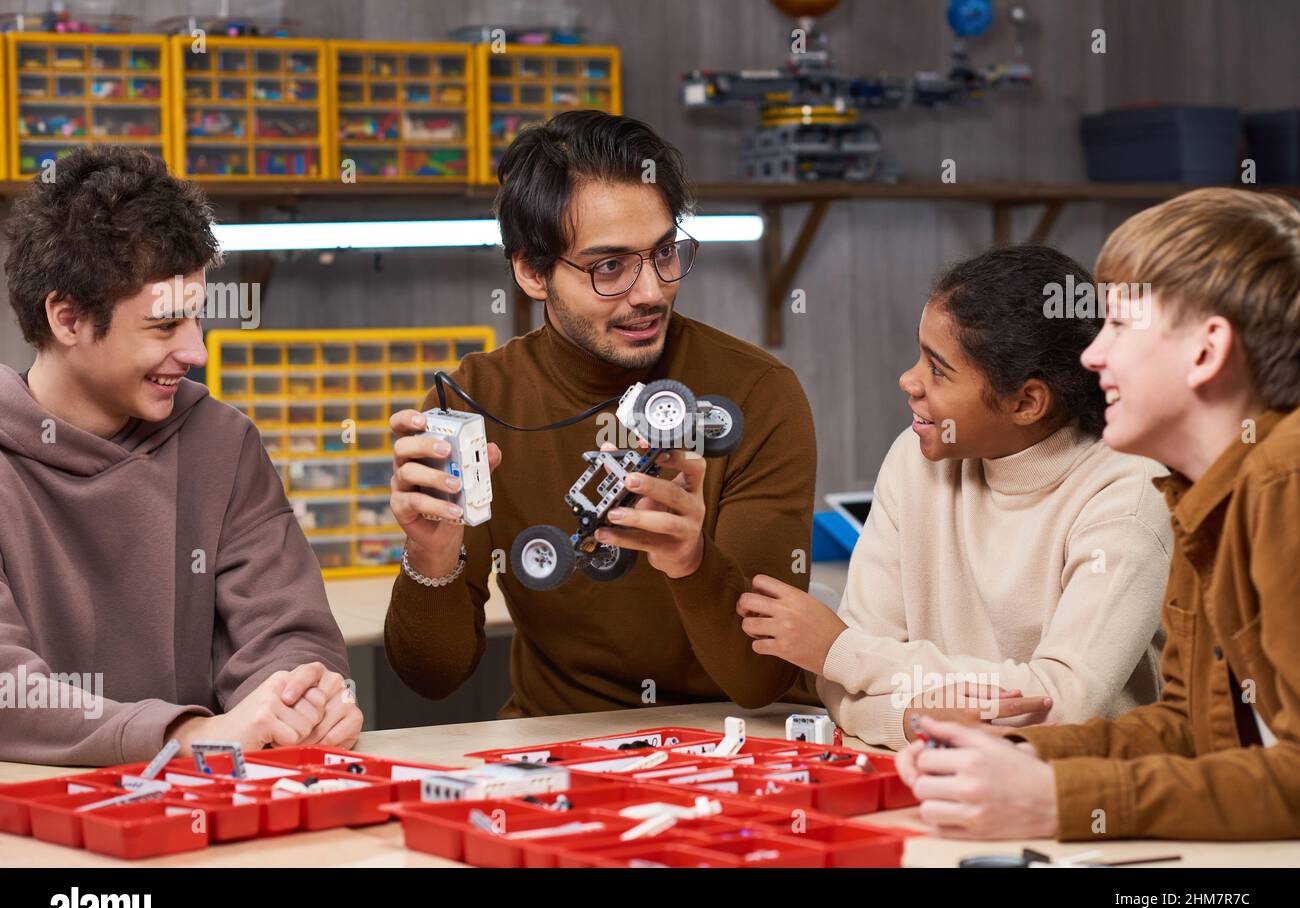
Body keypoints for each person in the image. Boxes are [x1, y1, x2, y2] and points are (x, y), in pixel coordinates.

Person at [898, 188, 1300, 841]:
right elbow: (1192, 728)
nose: (1091, 355)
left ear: (1206, 351)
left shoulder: (1285, 484)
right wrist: (1021, 757)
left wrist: (1062, 799)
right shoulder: (1201, 491)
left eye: (1120, 323)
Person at [384, 111, 816, 716]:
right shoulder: (472, 403)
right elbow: (432, 677)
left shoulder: (756, 394)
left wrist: (692, 566)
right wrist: (430, 558)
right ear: (532, 271)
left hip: (738, 742)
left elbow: (760, 681)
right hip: (554, 741)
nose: (650, 292)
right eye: (609, 266)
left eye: (664, 253)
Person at [0, 146, 360, 766]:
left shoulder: (223, 444)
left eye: (196, 318)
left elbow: (287, 633)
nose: (196, 352)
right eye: (166, 326)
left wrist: (300, 699)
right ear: (67, 318)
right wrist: (184, 736)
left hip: (200, 813)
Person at [737, 244, 1171, 749]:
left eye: (938, 369)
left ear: (1027, 402)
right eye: (919, 354)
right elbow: (839, 688)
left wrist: (842, 651)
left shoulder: (1129, 494)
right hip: (941, 776)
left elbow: (1061, 702)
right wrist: (916, 721)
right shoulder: (914, 457)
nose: (908, 380)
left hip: (1089, 797)